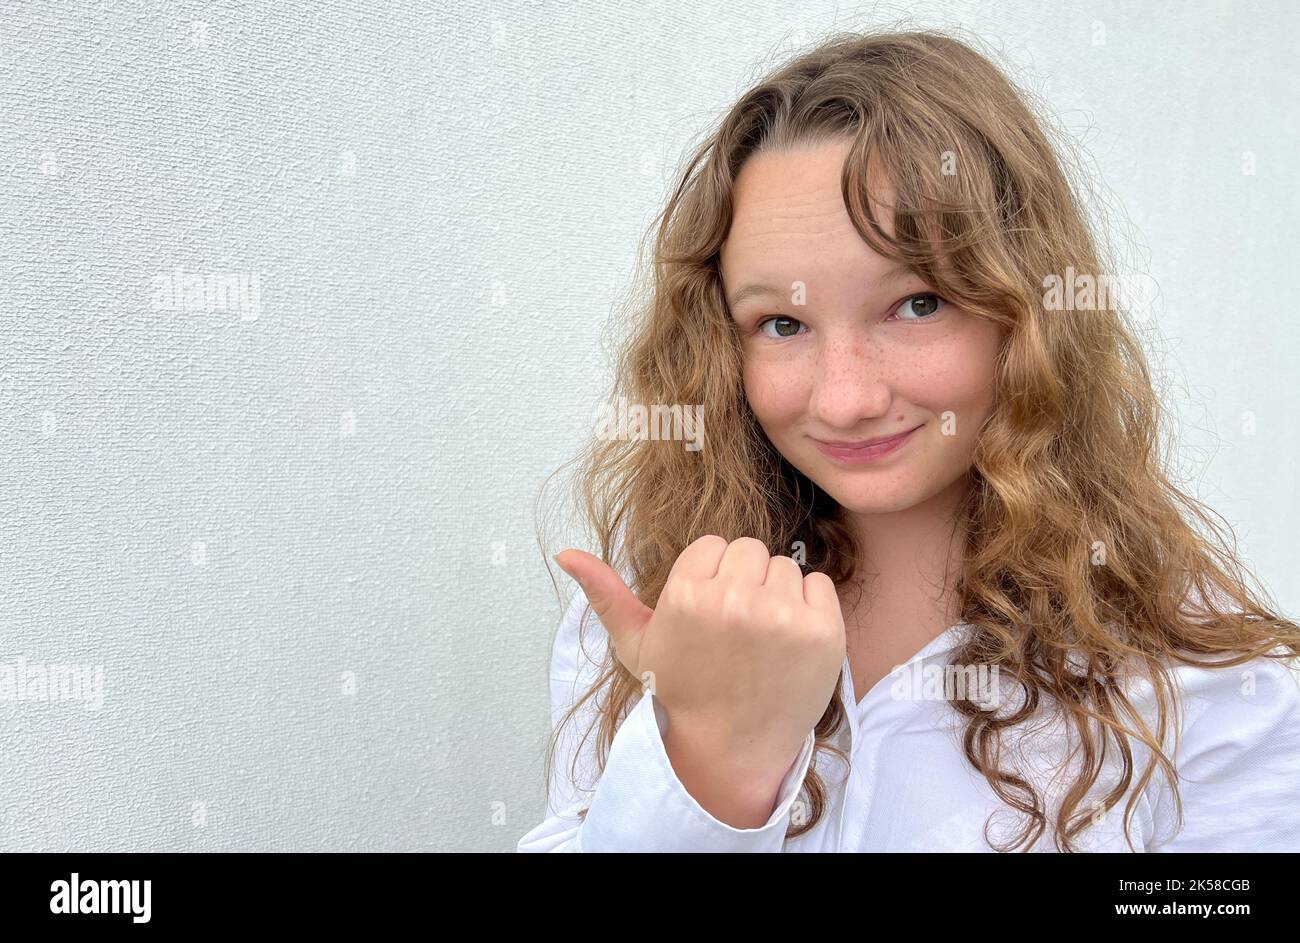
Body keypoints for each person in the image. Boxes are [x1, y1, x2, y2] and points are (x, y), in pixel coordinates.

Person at [517, 29, 1300, 852]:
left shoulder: (1210, 685)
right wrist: (710, 771)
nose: (846, 397)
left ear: (1028, 315)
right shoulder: (659, 607)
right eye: (781, 324)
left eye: (917, 304)